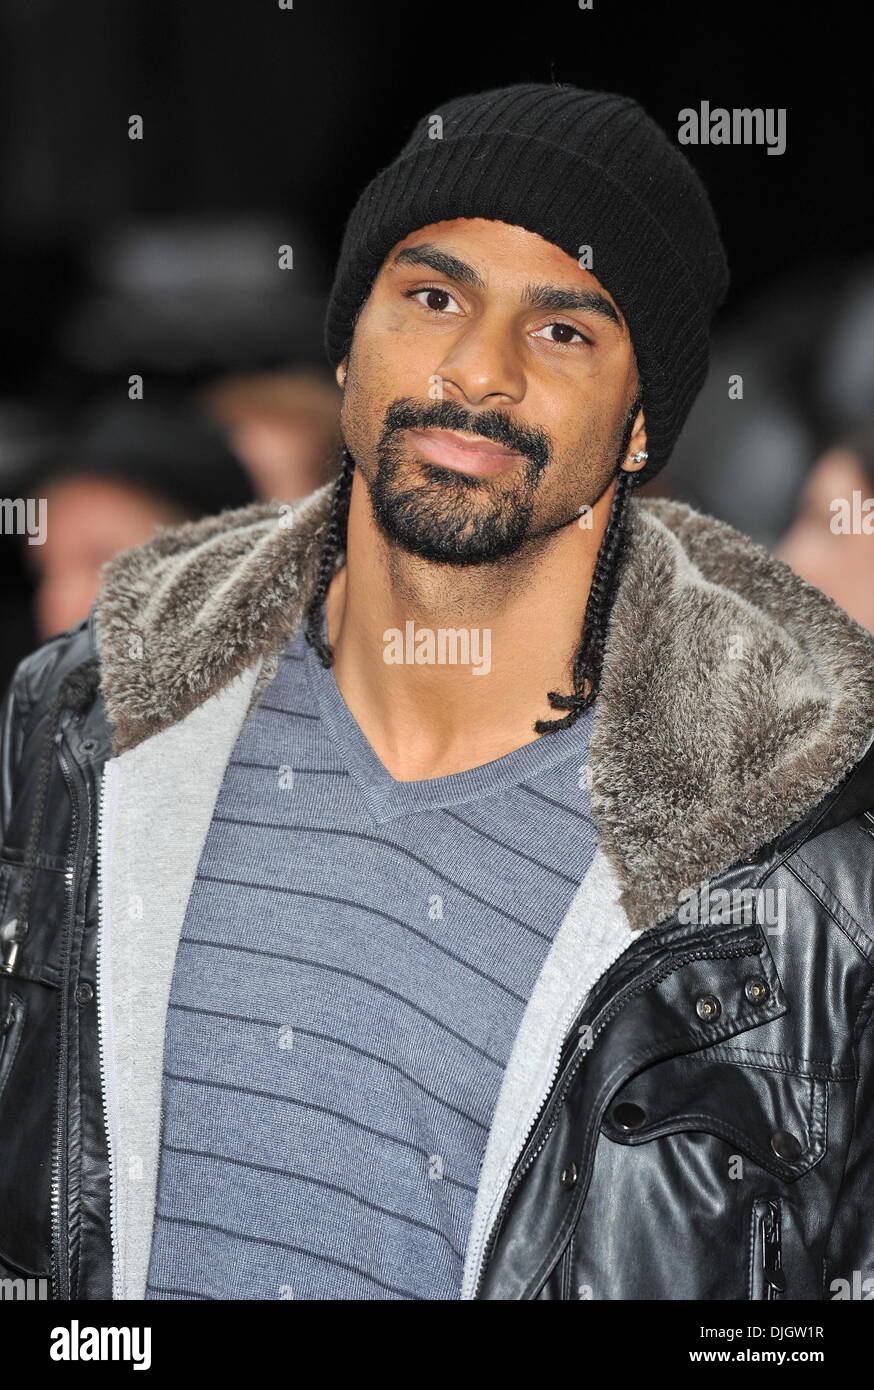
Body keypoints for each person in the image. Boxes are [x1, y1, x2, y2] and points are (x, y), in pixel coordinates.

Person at [1, 83, 873, 1303]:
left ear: (639, 429)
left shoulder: (797, 875)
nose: (478, 371)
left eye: (564, 329)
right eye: (432, 296)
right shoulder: (84, 727)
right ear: (348, 339)